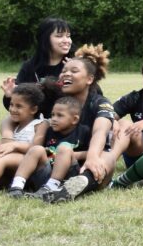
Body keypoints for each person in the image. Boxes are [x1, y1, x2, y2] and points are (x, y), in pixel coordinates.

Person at [35, 45, 122, 203]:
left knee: (108, 157)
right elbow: (24, 104)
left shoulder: (99, 103)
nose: (66, 74)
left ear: (89, 79)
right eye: (64, 71)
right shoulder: (55, 100)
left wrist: (92, 156)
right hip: (53, 160)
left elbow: (100, 131)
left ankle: (76, 185)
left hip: (85, 162)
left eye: (74, 71)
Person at [0, 83, 47, 195]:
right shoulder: (14, 126)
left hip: (27, 162)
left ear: (33, 109)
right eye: (11, 105)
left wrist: (14, 145)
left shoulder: (40, 124)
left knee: (1, 157)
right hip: (8, 164)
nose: (13, 109)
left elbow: (36, 147)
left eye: (18, 106)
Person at [6, 97, 85, 198]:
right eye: (52, 115)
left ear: (74, 119)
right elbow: (44, 153)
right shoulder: (49, 131)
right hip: (47, 176)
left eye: (60, 115)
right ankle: (16, 187)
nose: (54, 119)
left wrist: (64, 155)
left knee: (64, 148)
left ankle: (51, 188)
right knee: (36, 149)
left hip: (68, 177)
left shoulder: (84, 132)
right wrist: (49, 153)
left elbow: (90, 153)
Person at [0, 17, 75, 117]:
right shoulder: (29, 67)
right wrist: (10, 96)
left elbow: (88, 96)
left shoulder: (75, 64)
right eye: (59, 36)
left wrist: (74, 75)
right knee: (8, 121)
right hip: (35, 120)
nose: (67, 41)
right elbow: (17, 107)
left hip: (66, 119)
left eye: (68, 36)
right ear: (45, 39)